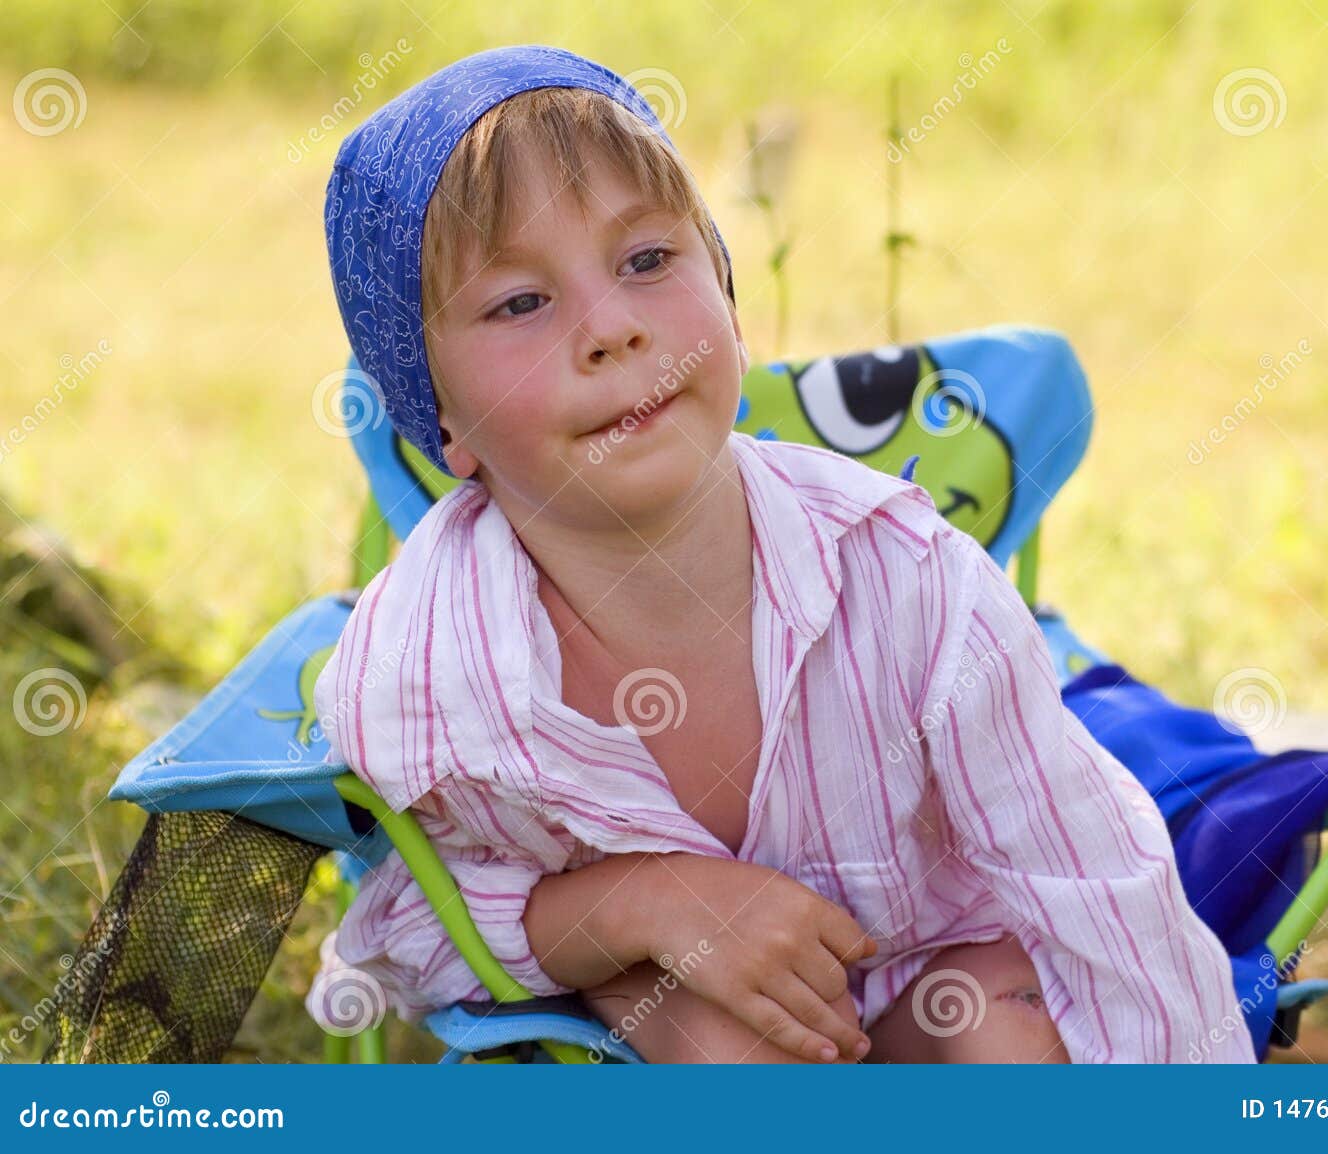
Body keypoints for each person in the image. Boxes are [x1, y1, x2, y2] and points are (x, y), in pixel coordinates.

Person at [307, 44, 1253, 1064]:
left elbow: (1095, 886)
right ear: (441, 416)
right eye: (521, 304)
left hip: (930, 959)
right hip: (660, 1012)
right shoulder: (432, 665)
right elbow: (401, 927)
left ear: (724, 291)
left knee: (1003, 1020)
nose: (613, 328)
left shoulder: (905, 578)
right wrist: (639, 905)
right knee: (728, 1037)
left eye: (647, 261)